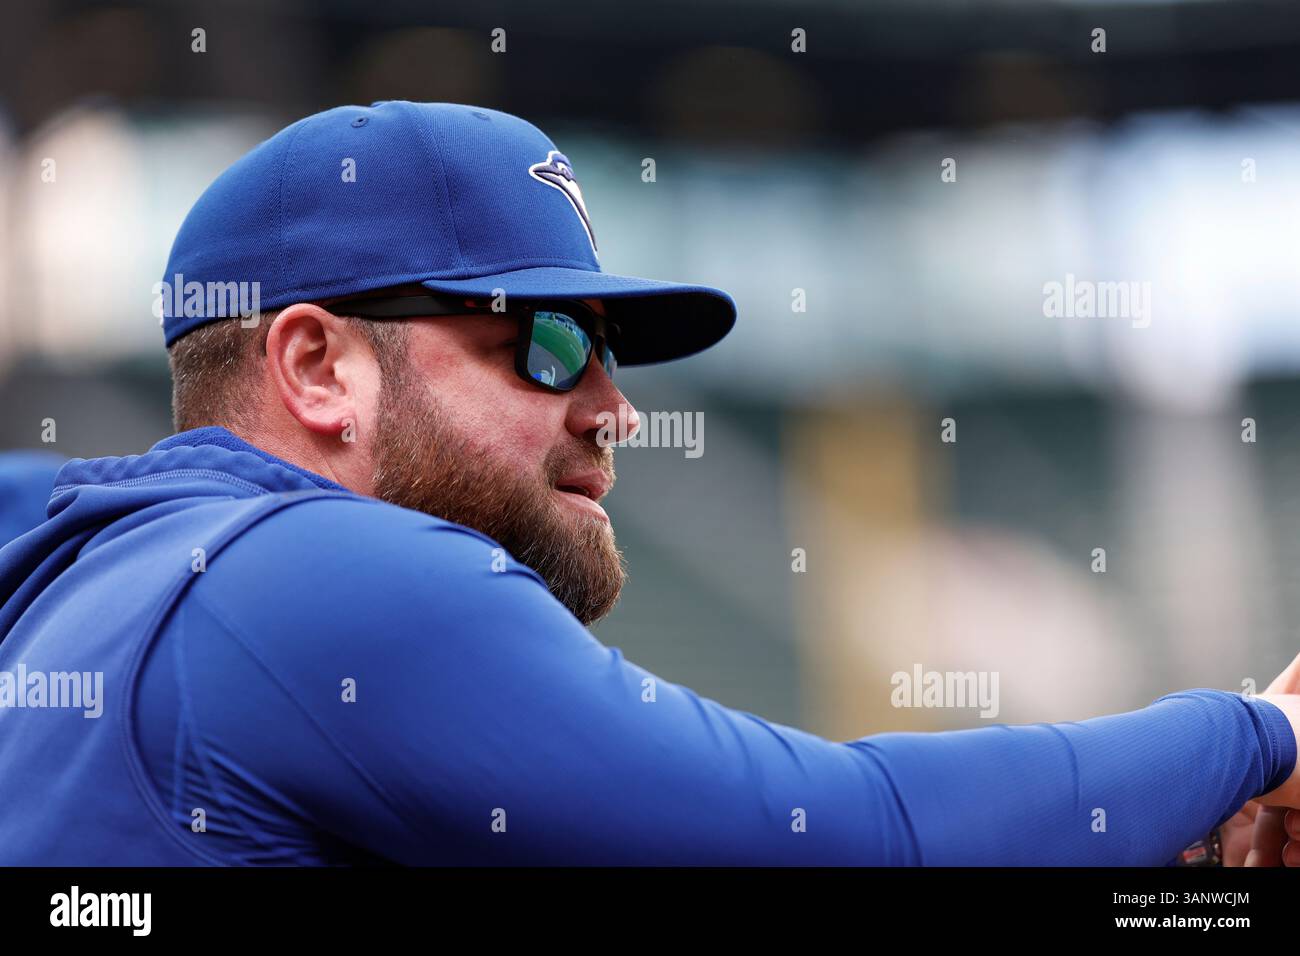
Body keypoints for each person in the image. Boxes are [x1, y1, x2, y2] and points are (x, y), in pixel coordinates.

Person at [0, 101, 1296, 865]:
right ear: (319, 366)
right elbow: (851, 839)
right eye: (547, 344)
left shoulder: (93, 558)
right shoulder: (315, 578)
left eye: (609, 352)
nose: (613, 406)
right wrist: (1261, 738)